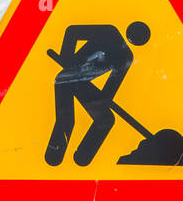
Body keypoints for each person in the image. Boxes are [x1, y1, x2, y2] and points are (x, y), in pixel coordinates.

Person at [45, 21, 150, 166]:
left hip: (80, 83)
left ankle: (82, 159)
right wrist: (67, 58)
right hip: (65, 79)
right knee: (66, 119)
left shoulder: (126, 57)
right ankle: (53, 157)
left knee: (105, 119)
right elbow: (72, 31)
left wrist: (102, 100)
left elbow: (110, 89)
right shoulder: (109, 32)